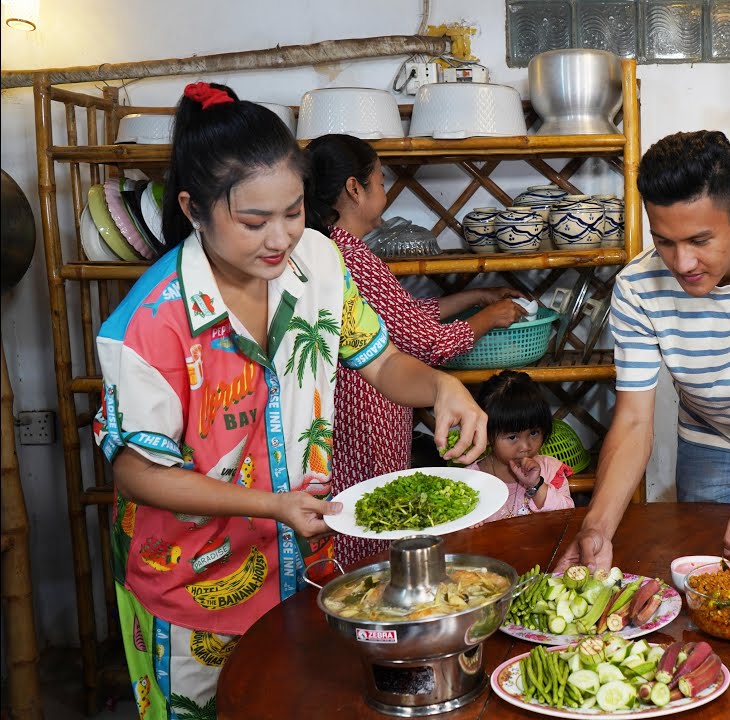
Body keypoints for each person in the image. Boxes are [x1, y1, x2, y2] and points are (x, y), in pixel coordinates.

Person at [93, 83, 487, 720]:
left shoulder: (321, 264)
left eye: (295, 211)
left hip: (303, 570)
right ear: (194, 209)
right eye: (254, 222)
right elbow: (137, 472)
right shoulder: (150, 323)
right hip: (192, 591)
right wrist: (271, 505)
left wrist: (443, 385)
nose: (280, 239)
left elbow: (382, 361)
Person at [555, 130, 730, 572]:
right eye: (665, 242)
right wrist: (596, 527)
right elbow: (634, 421)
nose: (682, 264)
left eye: (699, 241)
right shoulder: (637, 288)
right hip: (709, 437)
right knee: (705, 576)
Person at [303, 133, 527, 565]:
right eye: (380, 181)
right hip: (367, 411)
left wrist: (474, 297)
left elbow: (402, 317)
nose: (385, 191)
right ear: (354, 188)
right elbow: (428, 345)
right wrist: (491, 317)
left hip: (371, 404)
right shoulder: (347, 255)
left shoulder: (341, 249)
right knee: (368, 522)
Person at [466, 370, 574, 523]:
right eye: (512, 437)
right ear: (485, 434)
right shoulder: (468, 482)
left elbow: (566, 517)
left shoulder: (551, 470)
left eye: (534, 433)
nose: (525, 446)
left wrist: (537, 485)